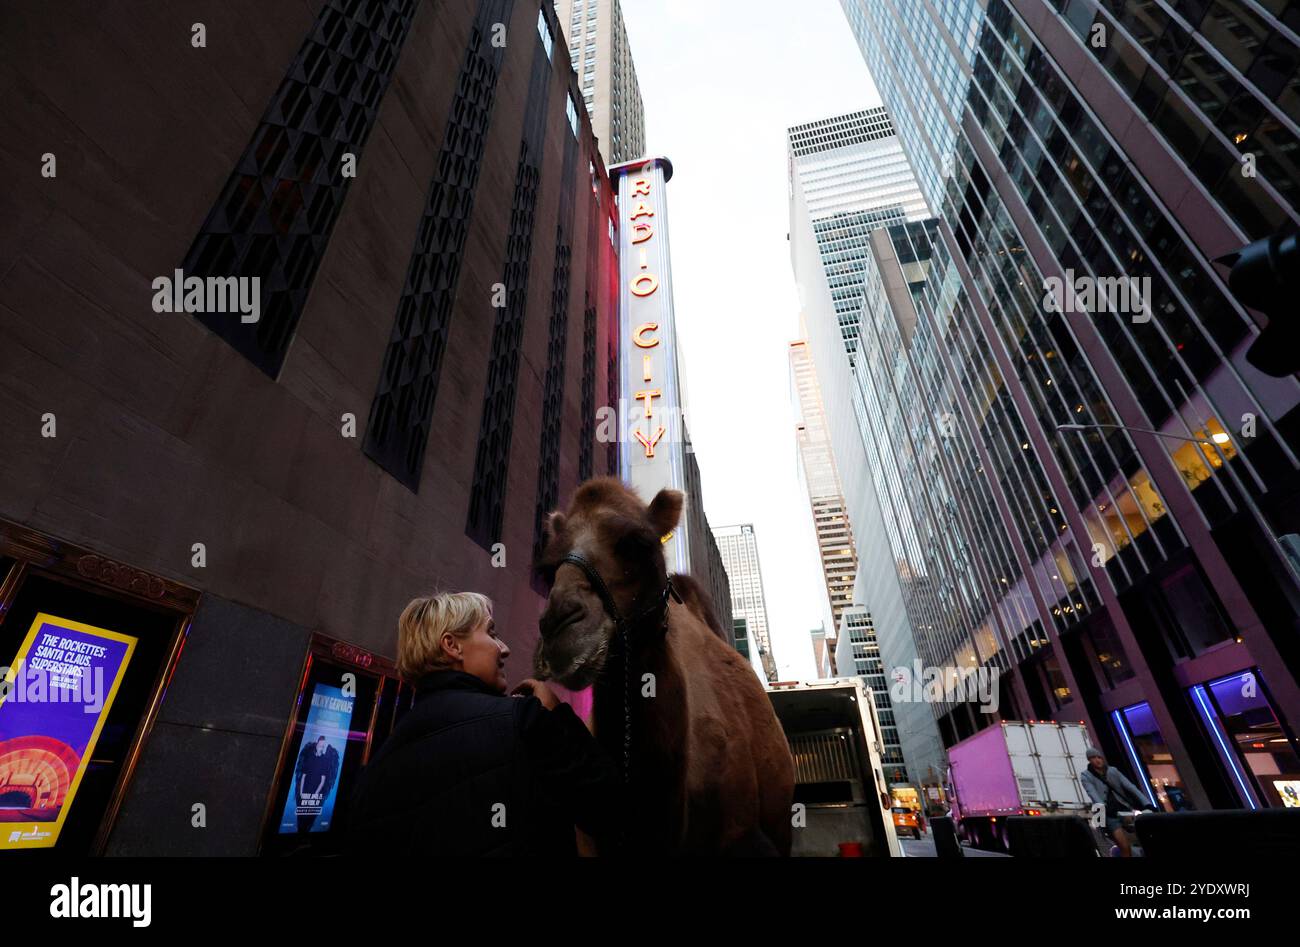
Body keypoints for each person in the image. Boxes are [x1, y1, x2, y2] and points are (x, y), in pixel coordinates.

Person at [345, 592, 621, 856]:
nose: (505, 648)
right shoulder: (523, 721)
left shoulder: (373, 773)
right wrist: (558, 715)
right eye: (491, 633)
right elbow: (613, 810)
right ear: (451, 646)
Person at [1080, 746, 1149, 857]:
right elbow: (1093, 794)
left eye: (1099, 757)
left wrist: (1147, 803)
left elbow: (1131, 787)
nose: (1097, 760)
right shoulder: (1086, 776)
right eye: (1093, 757)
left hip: (1124, 809)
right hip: (1108, 813)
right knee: (1124, 846)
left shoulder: (1113, 771)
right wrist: (1104, 808)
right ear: (1089, 760)